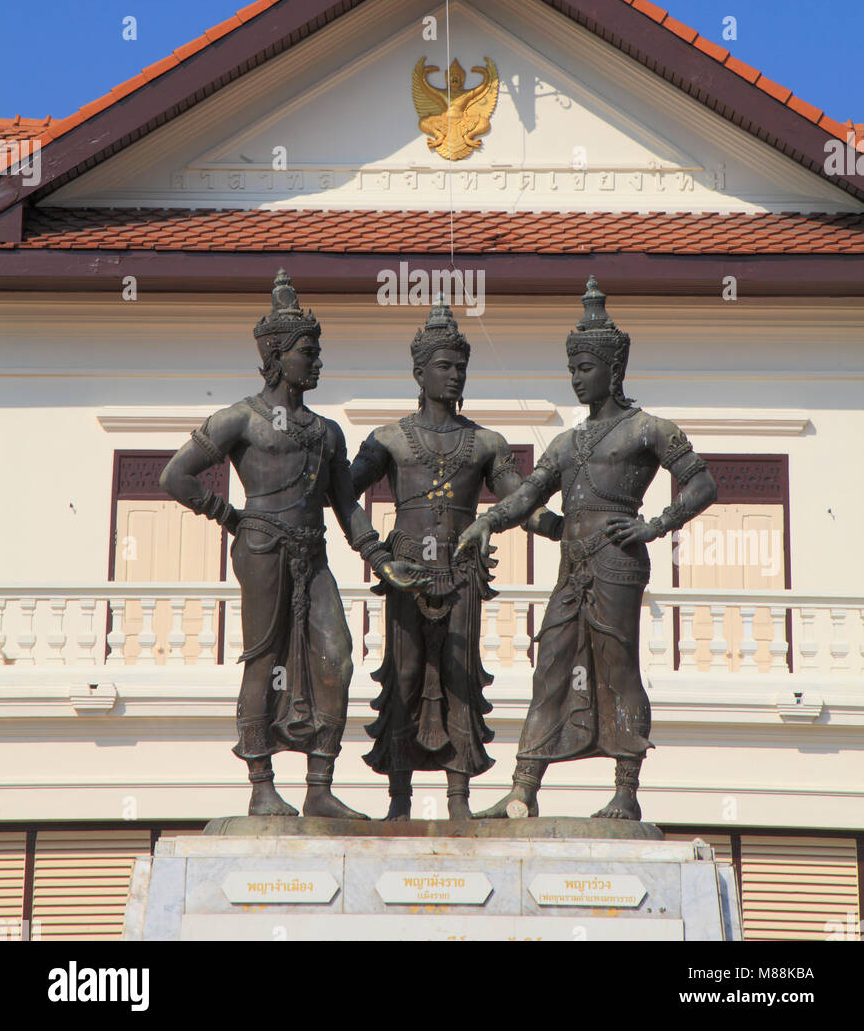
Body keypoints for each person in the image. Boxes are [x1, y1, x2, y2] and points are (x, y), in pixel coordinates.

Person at [159, 271, 423, 819]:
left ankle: (320, 785)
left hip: (314, 554)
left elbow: (346, 503)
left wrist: (379, 558)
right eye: (309, 352)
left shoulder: (328, 432)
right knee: (264, 660)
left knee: (338, 657)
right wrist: (230, 517)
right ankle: (261, 783)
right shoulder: (240, 419)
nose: (318, 362)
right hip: (262, 550)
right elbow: (175, 477)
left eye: (318, 351)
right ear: (278, 356)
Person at [456, 277, 718, 821]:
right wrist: (490, 521)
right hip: (571, 569)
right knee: (550, 662)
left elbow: (702, 485)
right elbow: (528, 494)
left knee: (617, 665)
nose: (576, 379)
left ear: (613, 369)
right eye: (572, 369)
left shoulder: (647, 429)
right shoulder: (565, 443)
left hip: (618, 563)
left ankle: (625, 791)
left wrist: (655, 525)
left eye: (585, 368)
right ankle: (523, 790)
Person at [350, 301, 562, 820]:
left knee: (459, 675)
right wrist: (373, 553)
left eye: (460, 367)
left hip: (463, 567)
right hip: (404, 570)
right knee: (402, 675)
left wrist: (565, 524)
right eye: (444, 366)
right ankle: (398, 802)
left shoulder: (486, 443)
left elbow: (520, 502)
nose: (454, 375)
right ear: (419, 372)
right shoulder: (387, 440)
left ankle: (459, 801)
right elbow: (339, 495)